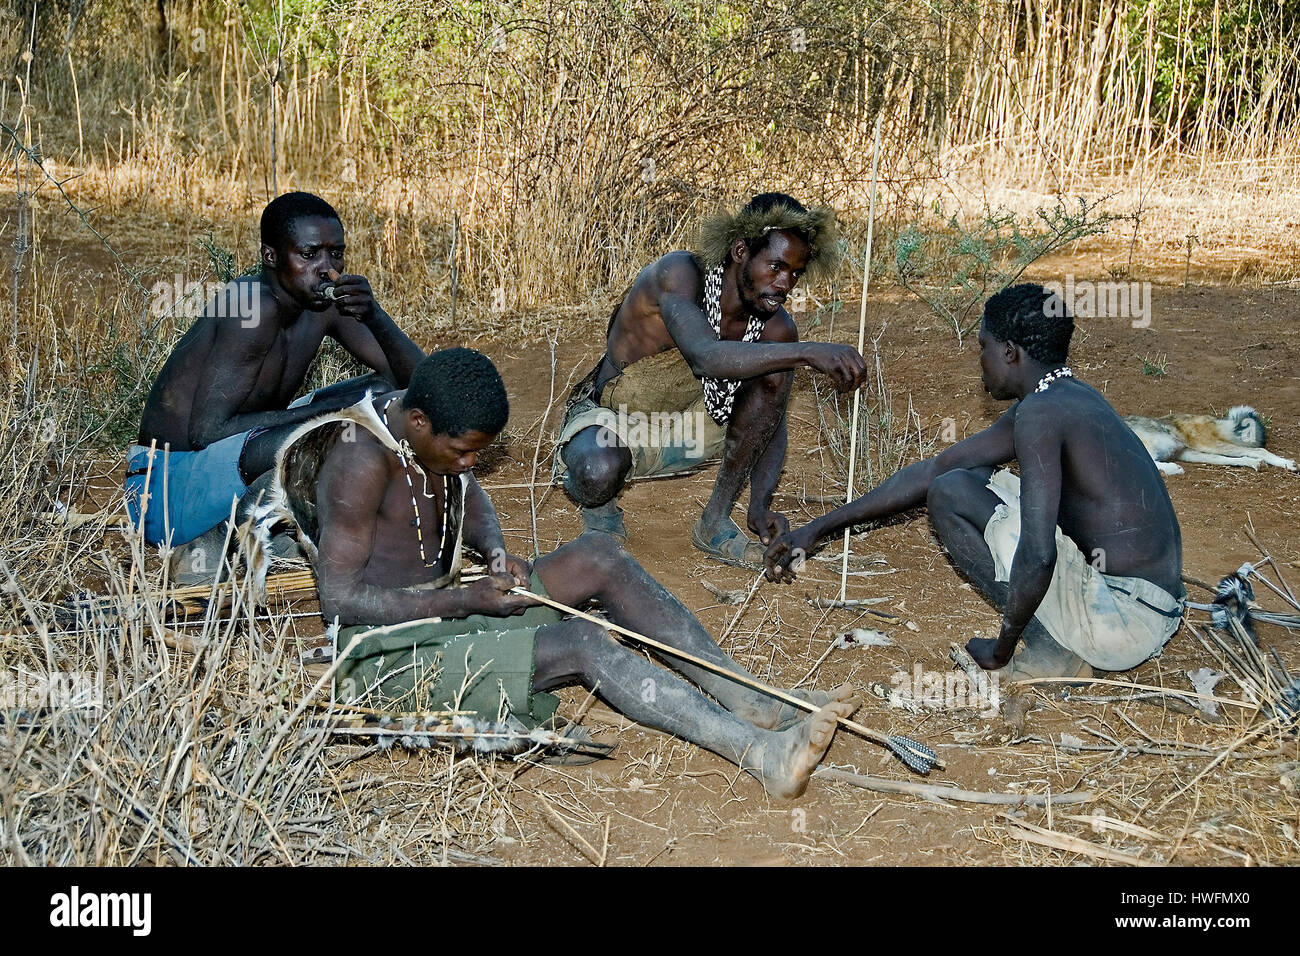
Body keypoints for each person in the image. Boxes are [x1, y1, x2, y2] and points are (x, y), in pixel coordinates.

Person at [268, 348, 856, 798]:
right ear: (418, 422)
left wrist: (494, 550)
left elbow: (467, 493)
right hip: (387, 654)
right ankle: (761, 755)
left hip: (451, 609)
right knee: (581, 641)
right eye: (464, 450)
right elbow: (340, 601)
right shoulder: (358, 462)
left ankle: (755, 700)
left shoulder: (425, 422)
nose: (472, 463)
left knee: (601, 556)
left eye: (481, 452)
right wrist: (467, 599)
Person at [764, 283, 1186, 680]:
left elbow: (1039, 554)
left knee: (952, 494)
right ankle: (1057, 640)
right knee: (960, 481)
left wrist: (1004, 647)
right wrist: (817, 529)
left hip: (1122, 622)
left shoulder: (1041, 414)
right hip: (1154, 607)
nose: (979, 360)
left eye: (982, 346)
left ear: (1009, 352)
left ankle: (1051, 650)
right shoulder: (1063, 398)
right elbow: (935, 468)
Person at [553, 193, 868, 568]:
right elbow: (706, 357)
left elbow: (771, 414)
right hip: (616, 425)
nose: (785, 284)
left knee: (772, 373)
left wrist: (759, 503)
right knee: (596, 472)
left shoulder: (776, 326)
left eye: (795, 273)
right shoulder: (680, 275)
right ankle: (600, 508)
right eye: (776, 267)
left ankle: (714, 521)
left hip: (693, 435)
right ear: (740, 252)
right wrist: (807, 352)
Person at [125, 192, 426, 575]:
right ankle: (214, 547)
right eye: (309, 254)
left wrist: (375, 315)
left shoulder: (323, 304)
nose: (326, 268)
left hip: (232, 465)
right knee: (344, 426)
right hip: (166, 494)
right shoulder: (252, 307)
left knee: (387, 399)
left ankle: (278, 531)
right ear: (271, 258)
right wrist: (329, 416)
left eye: (336, 254)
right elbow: (206, 432)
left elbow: (422, 387)